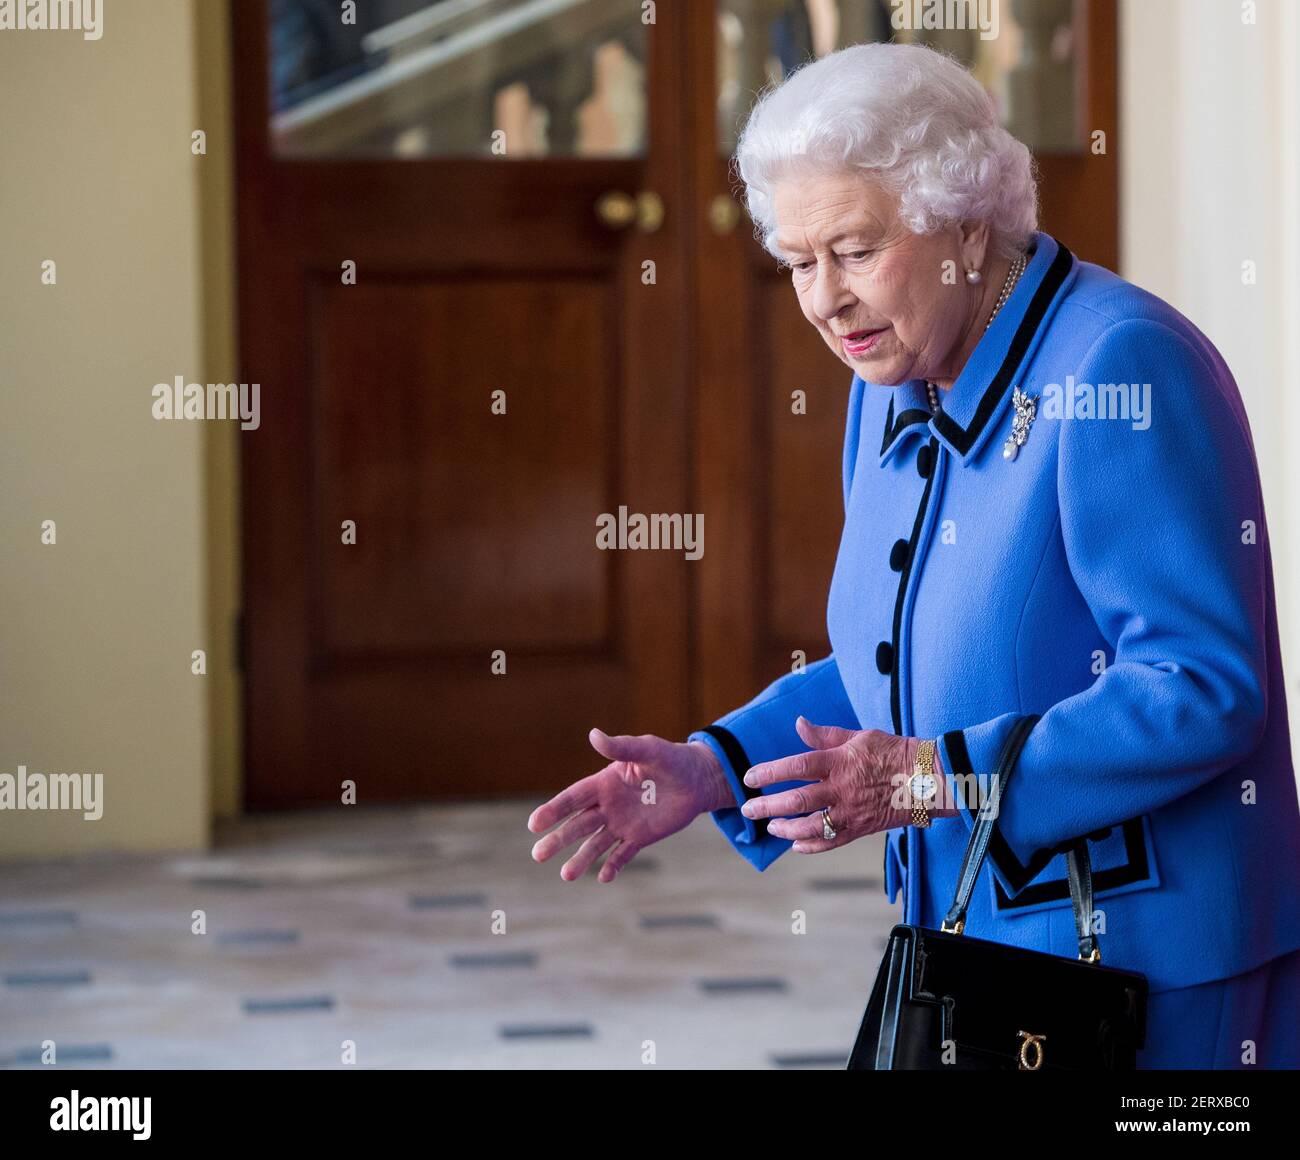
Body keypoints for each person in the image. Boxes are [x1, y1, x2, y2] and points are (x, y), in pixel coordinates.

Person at [527, 42, 1300, 1069]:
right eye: (797, 261)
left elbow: (1203, 686)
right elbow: (908, 663)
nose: (823, 300)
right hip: (982, 954)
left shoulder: (1121, 365)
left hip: (1153, 969)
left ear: (967, 223)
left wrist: (937, 778)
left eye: (852, 249)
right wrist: (717, 767)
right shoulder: (889, 379)